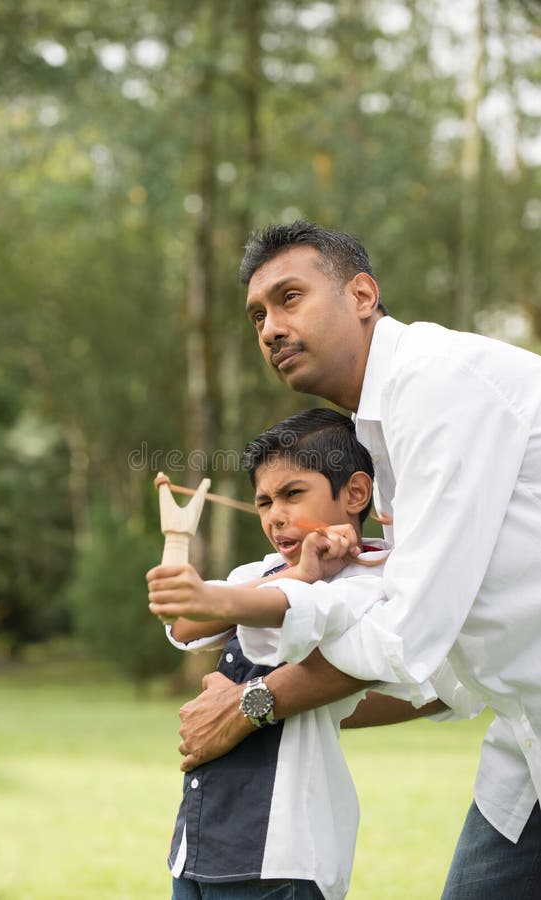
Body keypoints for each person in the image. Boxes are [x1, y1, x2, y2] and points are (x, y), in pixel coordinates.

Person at [174, 220, 541, 899]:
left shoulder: (437, 386)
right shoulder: (378, 431)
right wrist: (279, 711)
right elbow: (443, 666)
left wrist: (254, 703)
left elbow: (405, 633)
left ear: (363, 295)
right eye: (257, 314)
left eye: (289, 297)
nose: (270, 328)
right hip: (523, 747)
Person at [147, 408, 472, 900]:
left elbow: (296, 611)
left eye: (293, 494)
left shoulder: (376, 579)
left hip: (281, 853)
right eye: (263, 502)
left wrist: (294, 578)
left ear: (356, 493)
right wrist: (284, 573)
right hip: (202, 840)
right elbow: (188, 624)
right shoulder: (269, 570)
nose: (276, 515)